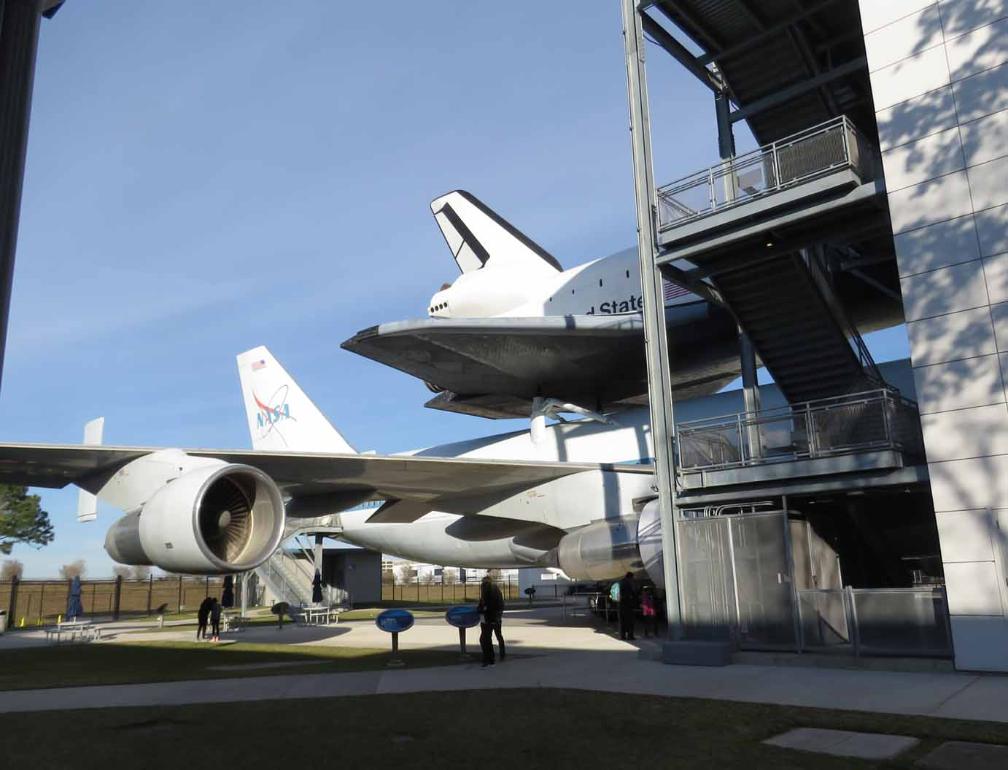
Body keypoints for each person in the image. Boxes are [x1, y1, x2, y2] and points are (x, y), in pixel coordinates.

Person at [477, 575, 504, 667]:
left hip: (489, 618)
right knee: (493, 637)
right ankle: (493, 657)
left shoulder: (489, 590)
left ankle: (488, 659)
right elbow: (484, 603)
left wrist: (483, 609)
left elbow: (490, 605)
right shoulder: (493, 590)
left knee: (485, 639)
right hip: (492, 618)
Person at [617, 571, 637, 641]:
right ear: (630, 577)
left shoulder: (620, 582)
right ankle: (630, 635)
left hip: (621, 605)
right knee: (630, 621)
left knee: (623, 622)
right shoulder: (627, 584)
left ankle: (623, 636)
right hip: (627, 605)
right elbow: (629, 594)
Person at [492, 580, 506, 660]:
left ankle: (501, 653)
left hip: (494, 618)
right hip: (496, 618)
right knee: (499, 636)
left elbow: (500, 608)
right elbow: (501, 608)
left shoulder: (494, 597)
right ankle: (502, 653)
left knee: (497, 636)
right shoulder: (499, 596)